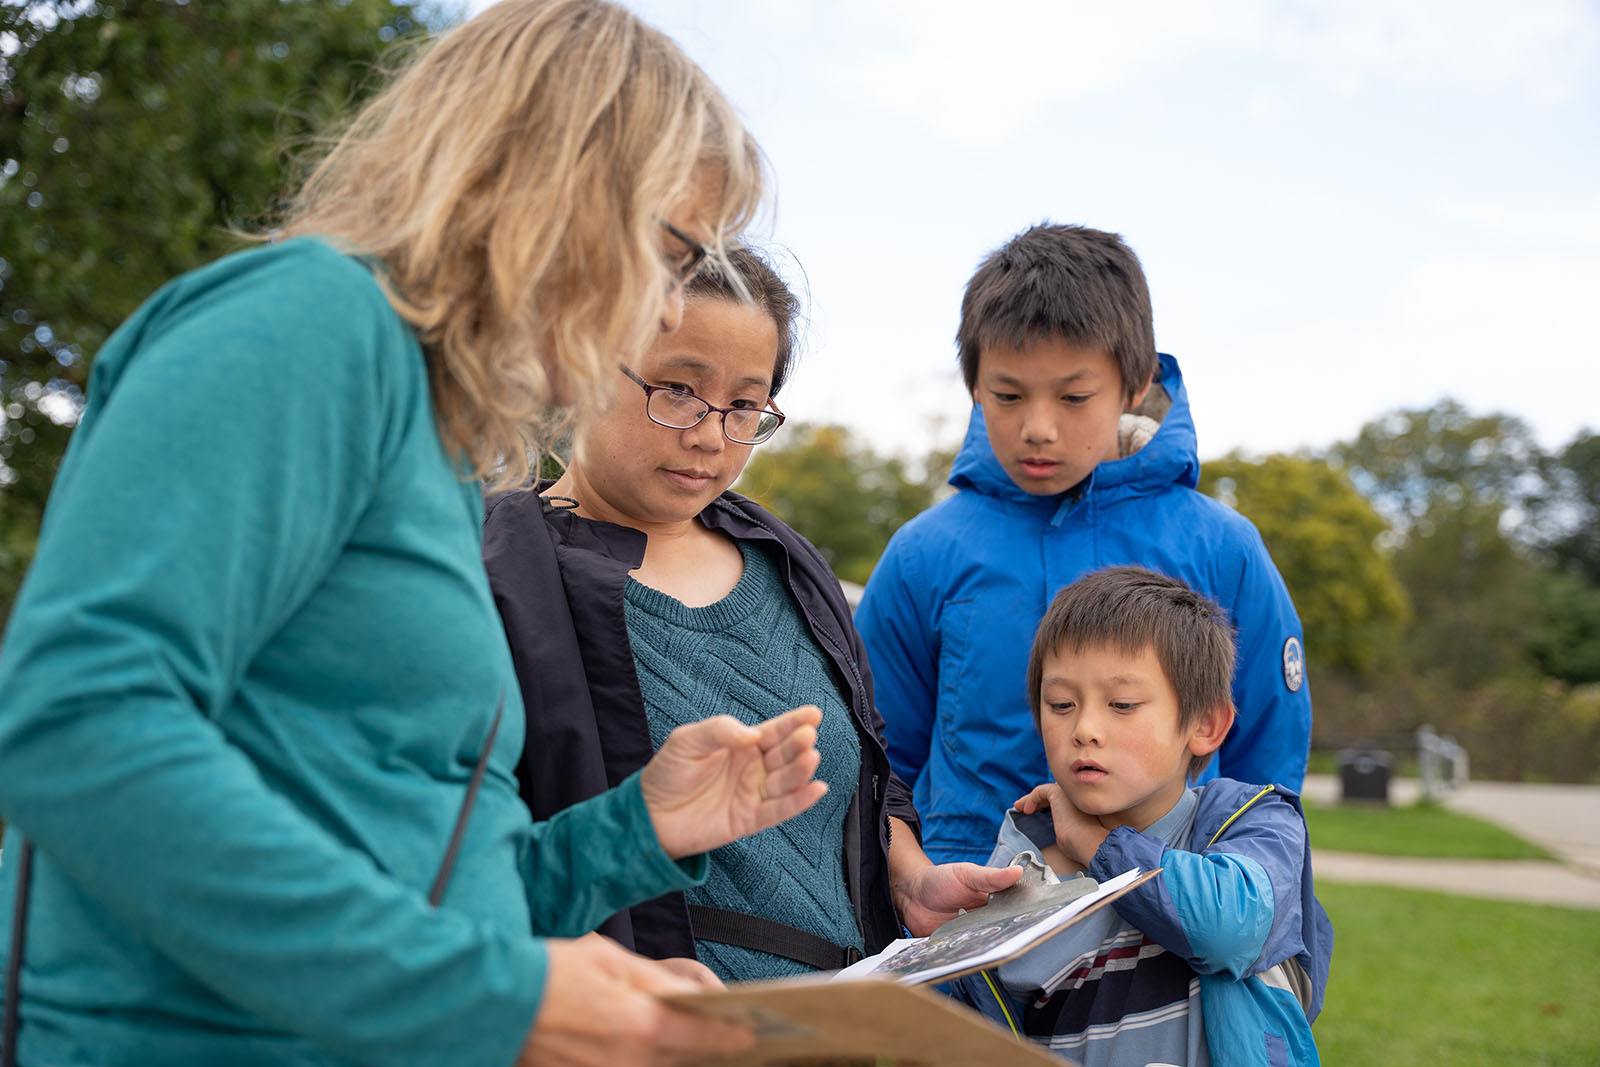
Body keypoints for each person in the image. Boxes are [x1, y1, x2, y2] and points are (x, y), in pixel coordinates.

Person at [0, 2, 824, 1064]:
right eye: (670, 253)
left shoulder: (440, 452)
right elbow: (74, 722)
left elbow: (416, 872)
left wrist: (630, 840)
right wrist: (486, 993)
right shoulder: (309, 324)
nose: (666, 306)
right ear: (554, 188)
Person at [483, 245, 1021, 981]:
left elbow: (863, 770)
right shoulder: (498, 570)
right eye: (677, 389)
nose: (709, 435)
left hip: (842, 1025)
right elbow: (455, 848)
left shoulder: (787, 561)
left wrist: (911, 877)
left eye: (744, 405)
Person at [856, 223, 1313, 866]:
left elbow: (1269, 778)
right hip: (965, 931)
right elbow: (877, 767)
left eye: (1074, 396)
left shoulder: (1223, 549)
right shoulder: (921, 555)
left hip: (1168, 930)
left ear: (1134, 384)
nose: (1037, 428)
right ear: (974, 385)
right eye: (1007, 395)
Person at [957, 566, 1332, 1066]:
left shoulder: (1255, 820)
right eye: (1061, 703)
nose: (1085, 728)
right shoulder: (1018, 856)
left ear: (1204, 724)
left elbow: (1229, 930)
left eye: (1123, 704)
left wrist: (1094, 845)